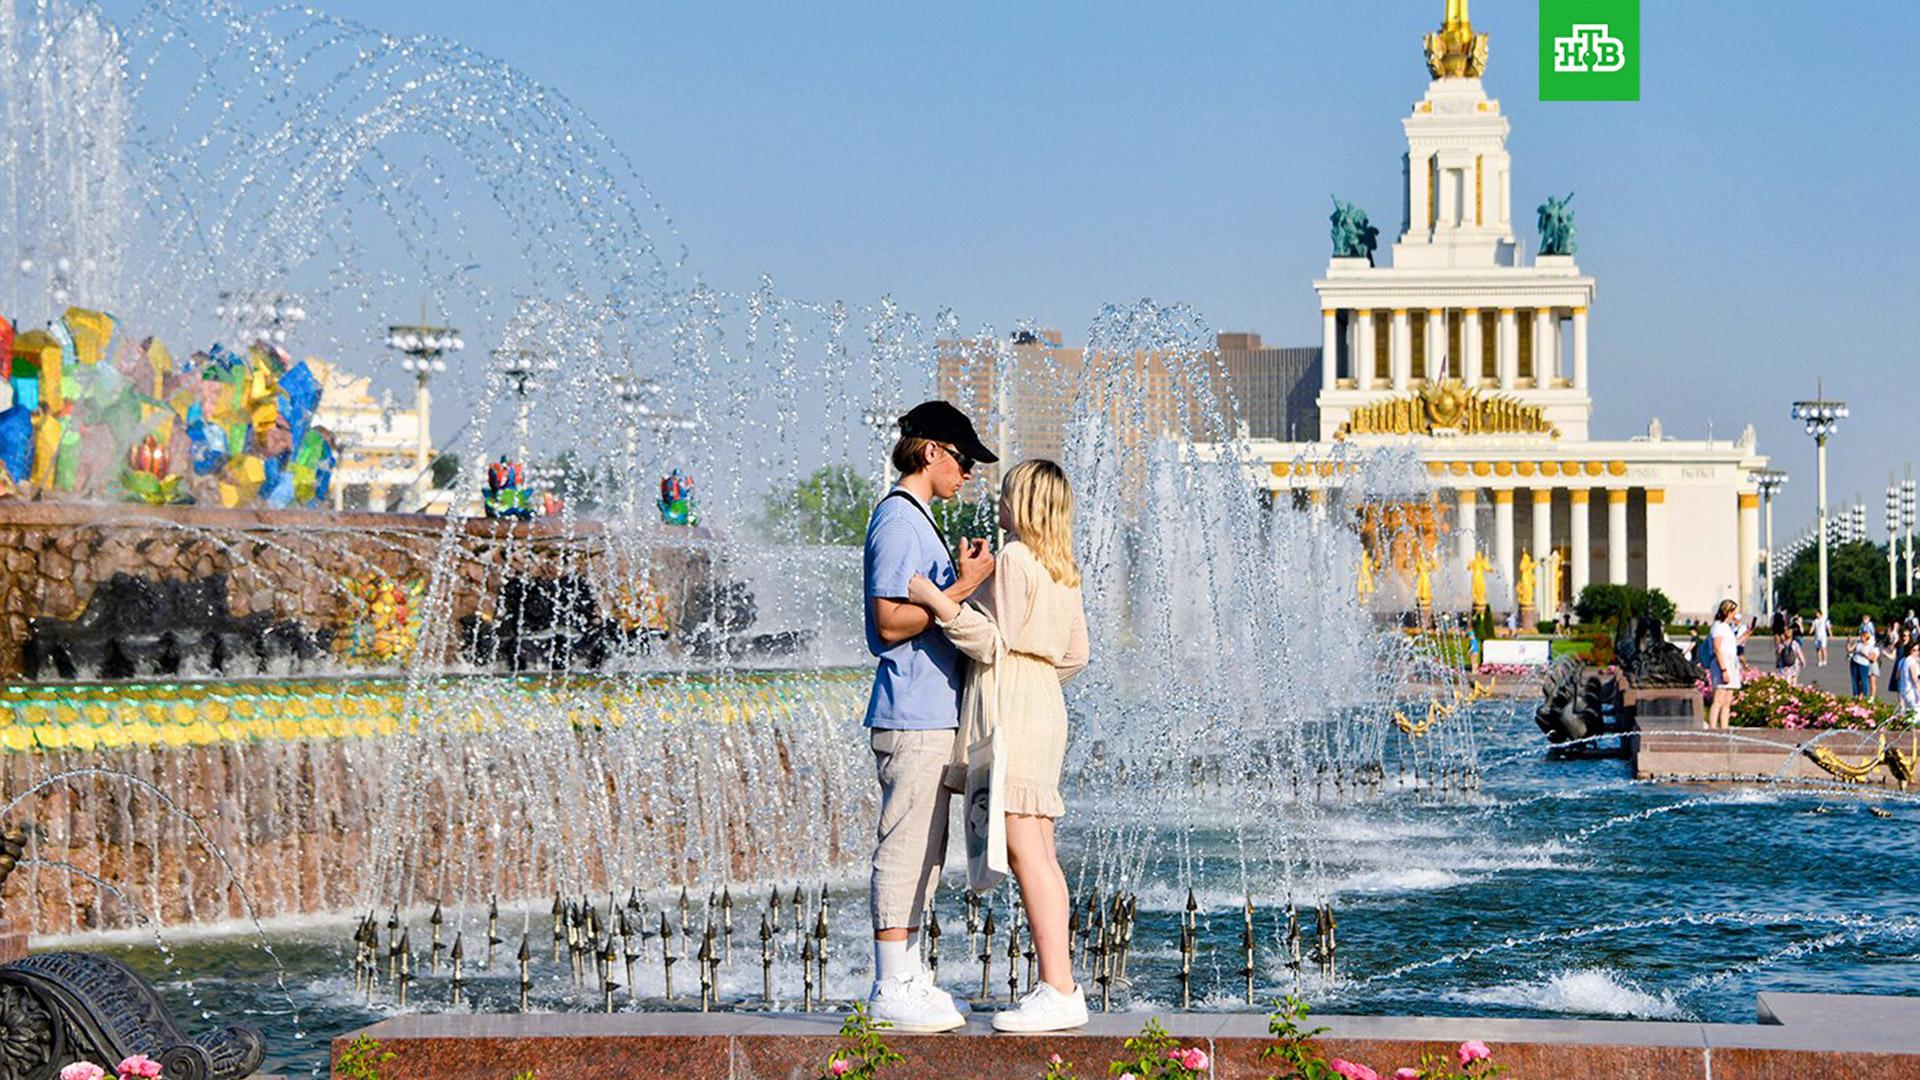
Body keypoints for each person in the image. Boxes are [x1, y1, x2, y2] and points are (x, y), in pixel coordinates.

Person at [906, 460, 1091, 1033]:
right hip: (1043, 702)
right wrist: (1035, 681)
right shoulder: (1063, 568)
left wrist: (936, 599)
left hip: (1011, 702)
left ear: (1025, 503)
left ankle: (1057, 989)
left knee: (1022, 849)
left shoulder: (1014, 558)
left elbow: (990, 642)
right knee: (1038, 846)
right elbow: (1076, 655)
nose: (1000, 501)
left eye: (1008, 492)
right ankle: (1063, 986)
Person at [860, 400, 997, 1032]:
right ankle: (890, 986)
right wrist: (962, 589)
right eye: (964, 459)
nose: (969, 472)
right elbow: (888, 625)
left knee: (928, 850)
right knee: (906, 843)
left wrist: (957, 584)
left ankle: (910, 973)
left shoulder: (919, 520)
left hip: (932, 714)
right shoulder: (897, 519)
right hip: (911, 713)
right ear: (933, 452)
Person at [1706, 599, 1748, 731]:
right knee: (1719, 699)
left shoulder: (1727, 627)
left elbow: (1732, 644)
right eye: (1733, 612)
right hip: (1722, 663)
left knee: (1727, 701)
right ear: (1727, 611)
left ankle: (1724, 727)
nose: (1735, 615)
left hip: (1732, 663)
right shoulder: (1717, 626)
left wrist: (1745, 635)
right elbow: (1717, 648)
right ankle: (1713, 728)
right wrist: (1723, 669)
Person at [1847, 630, 1880, 699]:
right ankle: (1856, 694)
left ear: (1867, 637)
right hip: (1855, 661)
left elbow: (1872, 659)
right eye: (1861, 636)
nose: (1861, 638)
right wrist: (1848, 642)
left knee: (1864, 680)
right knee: (1854, 679)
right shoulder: (1858, 643)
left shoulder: (1870, 646)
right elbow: (1850, 650)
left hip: (1864, 664)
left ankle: (1866, 695)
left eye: (1863, 637)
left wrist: (1865, 655)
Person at [1900, 642, 1920, 717]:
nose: (1917, 652)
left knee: (1907, 714)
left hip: (1903, 690)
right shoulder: (1912, 661)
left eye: (1918, 650)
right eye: (1914, 650)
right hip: (1912, 692)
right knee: (1916, 715)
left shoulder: (1903, 660)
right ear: (1909, 650)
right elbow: (1915, 679)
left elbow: (1897, 676)